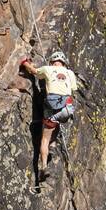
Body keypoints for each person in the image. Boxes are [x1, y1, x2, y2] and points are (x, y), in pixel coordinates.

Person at [19, 49, 79, 179]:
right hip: (67, 109)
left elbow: (34, 72)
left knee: (44, 138)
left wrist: (25, 63)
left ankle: (44, 167)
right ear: (64, 63)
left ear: (52, 62)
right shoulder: (70, 73)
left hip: (52, 109)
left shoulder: (48, 68)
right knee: (57, 122)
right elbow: (73, 89)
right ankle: (53, 143)